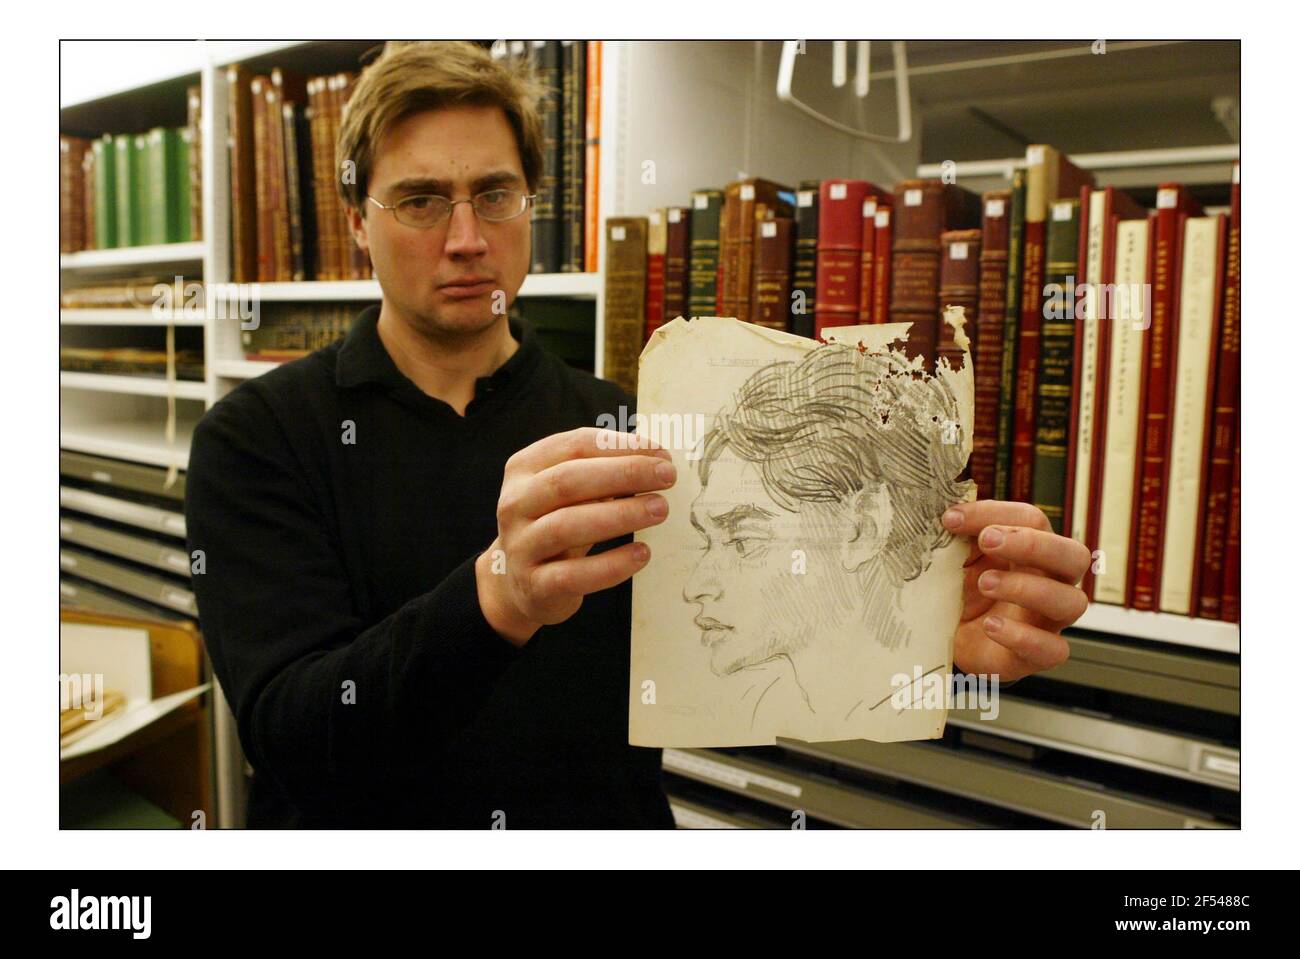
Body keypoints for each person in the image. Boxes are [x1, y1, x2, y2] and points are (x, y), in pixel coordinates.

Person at [185, 40, 1092, 828]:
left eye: (493, 194)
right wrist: (499, 595)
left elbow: (743, 643)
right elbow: (294, 737)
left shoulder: (637, 420)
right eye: (420, 201)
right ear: (356, 222)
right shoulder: (256, 437)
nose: (465, 237)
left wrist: (925, 632)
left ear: (529, 204)